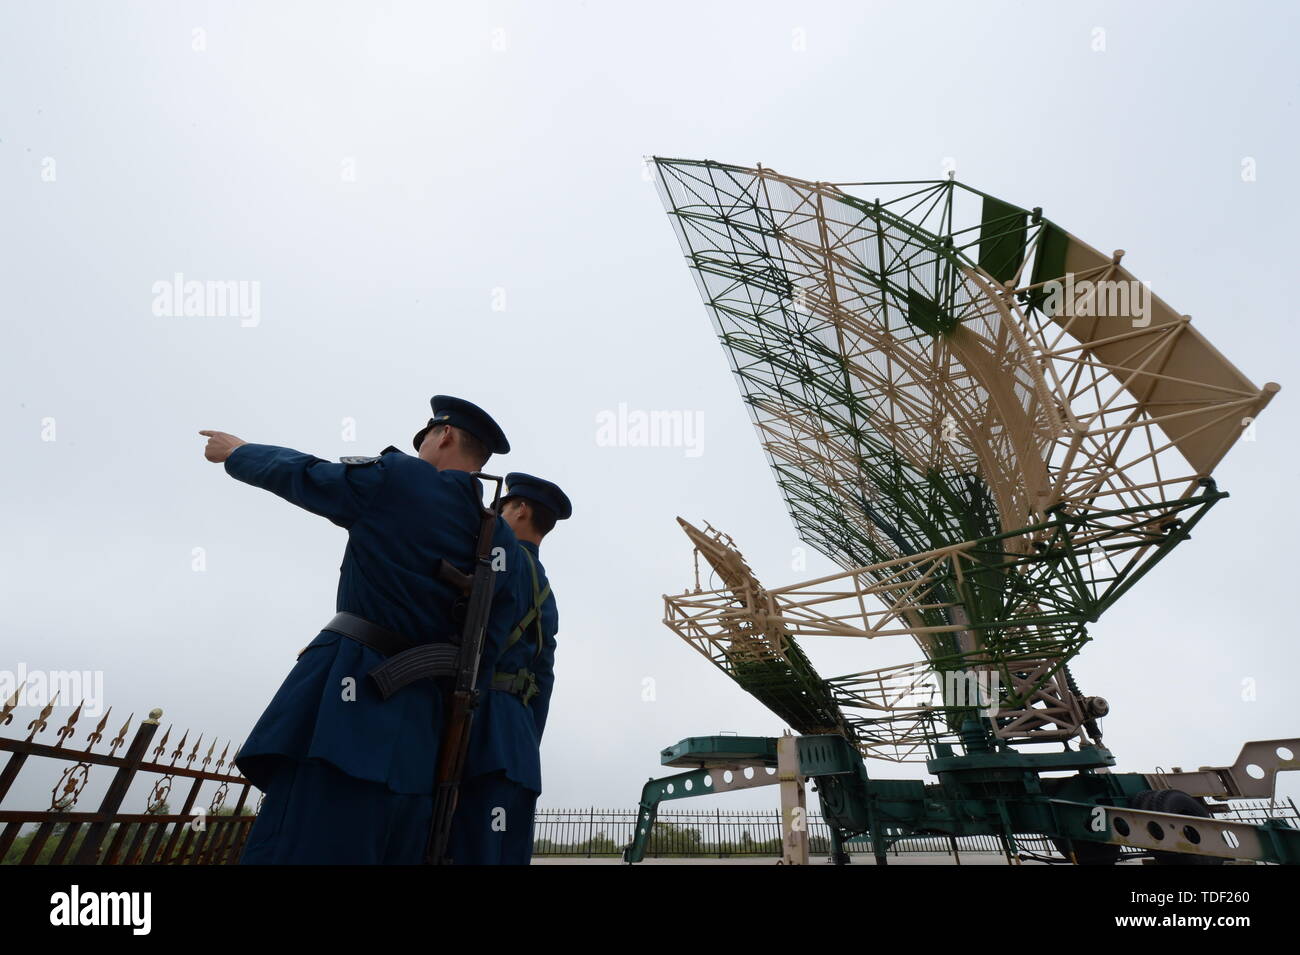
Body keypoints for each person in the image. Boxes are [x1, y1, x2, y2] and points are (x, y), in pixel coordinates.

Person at [199, 395, 529, 864]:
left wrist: (237, 452)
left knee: (303, 845)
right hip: (425, 741)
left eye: (426, 441)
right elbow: (485, 654)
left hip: (347, 718)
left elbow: (307, 475)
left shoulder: (402, 479)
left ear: (445, 435)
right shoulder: (503, 543)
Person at [447, 471, 569, 865]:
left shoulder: (499, 561)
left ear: (519, 509)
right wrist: (525, 738)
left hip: (481, 730)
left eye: (501, 508)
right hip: (518, 744)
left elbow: (481, 642)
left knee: (468, 849)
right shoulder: (547, 590)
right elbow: (545, 679)